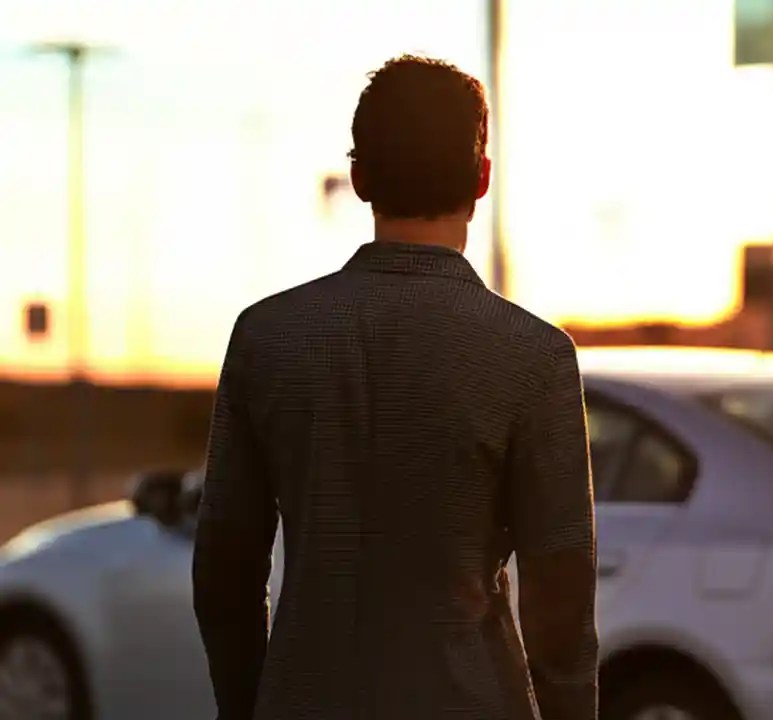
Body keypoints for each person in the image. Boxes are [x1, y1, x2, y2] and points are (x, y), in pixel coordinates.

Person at [192, 55, 598, 720]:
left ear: (359, 178)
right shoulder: (535, 357)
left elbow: (224, 573)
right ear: (482, 177)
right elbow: (562, 600)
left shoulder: (266, 339)